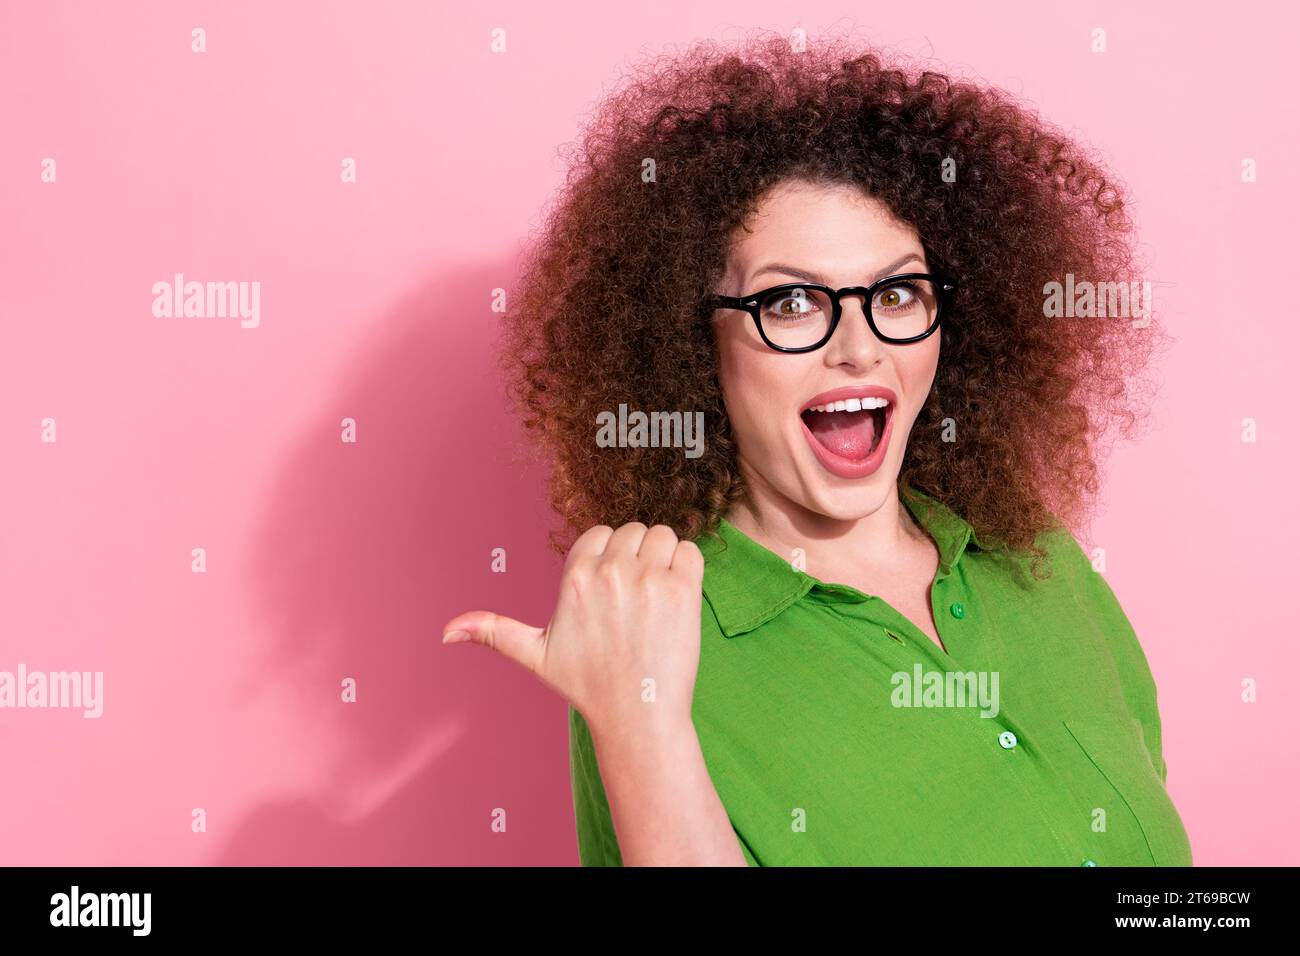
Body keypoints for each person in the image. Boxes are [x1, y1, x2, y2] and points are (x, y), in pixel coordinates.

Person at [441, 31, 1192, 866]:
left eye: (898, 292)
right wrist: (639, 722)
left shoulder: (1041, 564)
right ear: (694, 345)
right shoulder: (654, 645)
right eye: (792, 301)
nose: (859, 348)